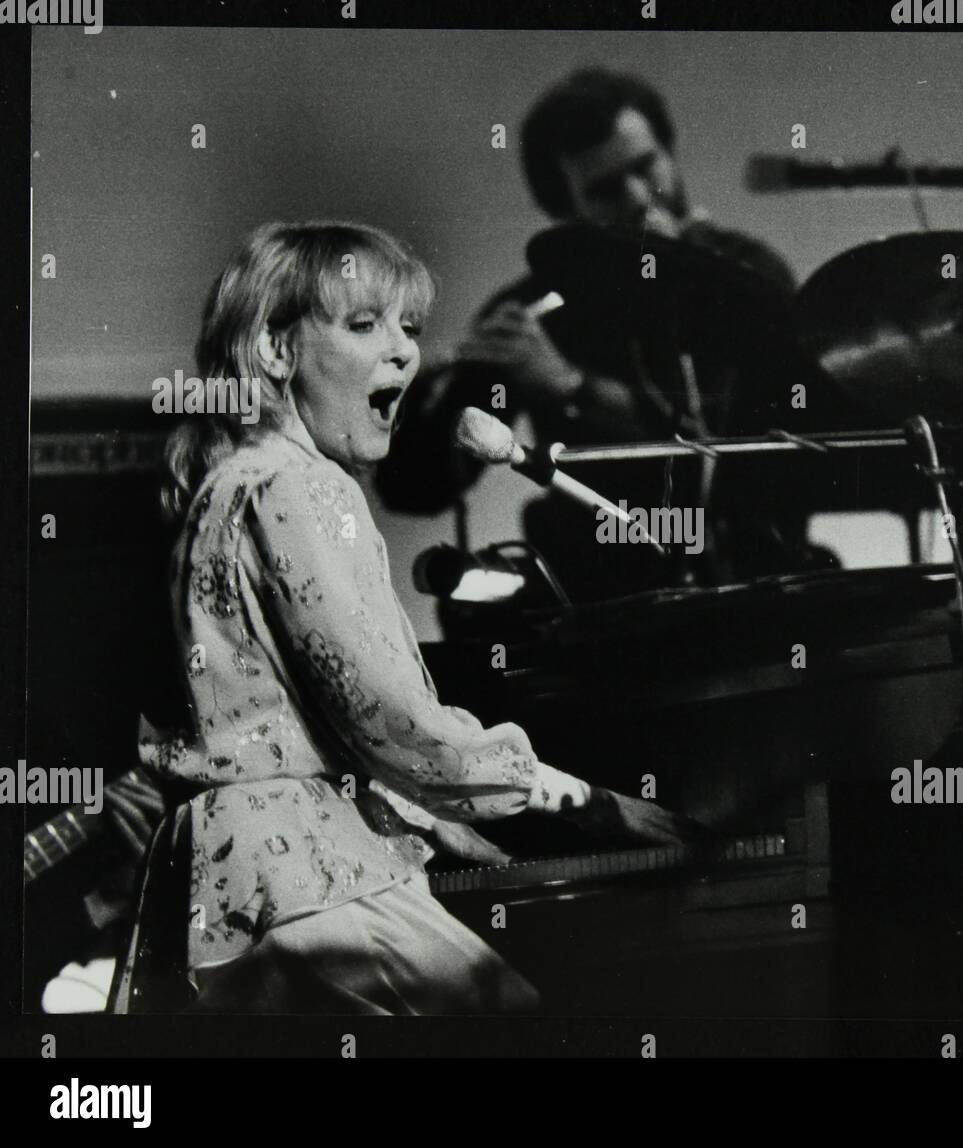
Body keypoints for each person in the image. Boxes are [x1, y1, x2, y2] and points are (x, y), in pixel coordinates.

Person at [115, 221, 697, 1014]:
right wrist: (594, 805)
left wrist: (484, 839)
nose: (404, 354)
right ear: (276, 352)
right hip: (310, 887)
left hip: (225, 895)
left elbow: (337, 738)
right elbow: (393, 722)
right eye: (364, 325)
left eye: (410, 329)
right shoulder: (306, 488)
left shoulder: (223, 486)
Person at [378, 67, 823, 602]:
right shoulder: (535, 310)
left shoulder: (747, 274)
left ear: (669, 152)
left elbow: (723, 441)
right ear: (565, 209)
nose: (638, 198)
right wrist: (410, 392)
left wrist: (571, 387)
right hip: (598, 600)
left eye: (645, 167)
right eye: (607, 190)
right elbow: (419, 491)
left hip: (750, 580)